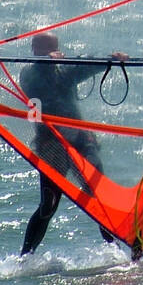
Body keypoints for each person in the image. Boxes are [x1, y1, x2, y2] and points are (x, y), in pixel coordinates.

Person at [17, 31, 128, 256]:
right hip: (51, 146)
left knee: (100, 198)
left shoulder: (64, 69)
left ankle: (118, 254)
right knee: (48, 206)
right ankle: (25, 258)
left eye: (52, 49)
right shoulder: (28, 74)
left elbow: (84, 66)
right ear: (34, 51)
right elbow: (36, 82)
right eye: (43, 51)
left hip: (81, 142)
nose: (49, 54)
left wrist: (111, 58)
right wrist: (50, 61)